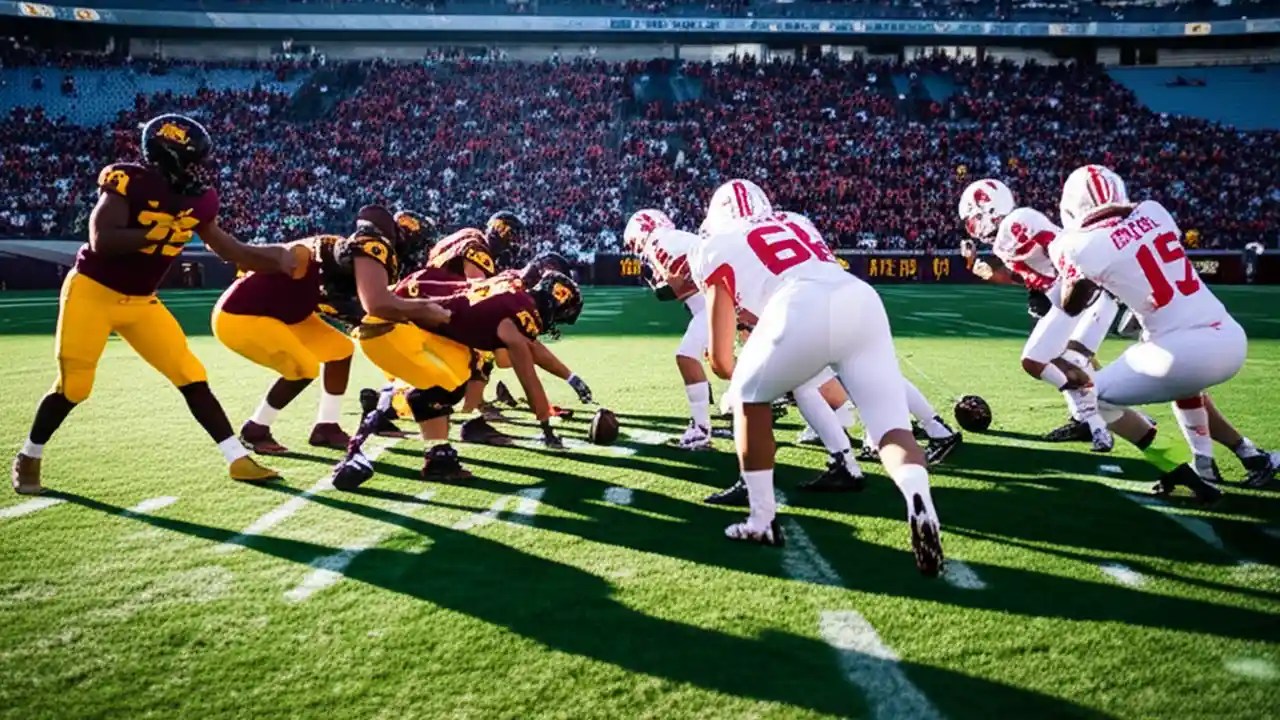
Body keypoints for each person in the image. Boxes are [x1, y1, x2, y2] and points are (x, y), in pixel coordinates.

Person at [11, 113, 295, 495]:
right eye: (194, 161)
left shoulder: (200, 200)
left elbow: (229, 249)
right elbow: (101, 239)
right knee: (75, 386)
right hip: (93, 291)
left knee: (190, 374)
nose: (201, 171)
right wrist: (155, 232)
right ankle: (29, 456)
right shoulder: (127, 180)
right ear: (170, 158)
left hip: (141, 302)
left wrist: (278, 259)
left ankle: (236, 460)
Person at [690, 179, 944, 577]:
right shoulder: (796, 221)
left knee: (747, 399)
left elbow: (722, 361)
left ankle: (761, 520)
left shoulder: (714, 244)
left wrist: (743, 370)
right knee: (890, 427)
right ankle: (916, 494)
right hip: (859, 298)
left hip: (798, 305)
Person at [1052, 164, 1275, 497]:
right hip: (1228, 336)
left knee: (1092, 400)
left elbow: (1072, 305)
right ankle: (1228, 459)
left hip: (1180, 352)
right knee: (1186, 388)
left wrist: (1072, 267)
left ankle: (1175, 465)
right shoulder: (1155, 210)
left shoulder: (1080, 245)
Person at [333, 269, 585, 488]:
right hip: (394, 328)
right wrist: (546, 427)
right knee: (449, 384)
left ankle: (429, 444)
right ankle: (387, 418)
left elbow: (523, 350)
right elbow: (526, 374)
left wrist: (571, 378)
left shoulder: (512, 286)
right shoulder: (521, 317)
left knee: (463, 369)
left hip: (407, 321)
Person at [958, 178, 1117, 451]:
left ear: (988, 211)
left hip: (1080, 294)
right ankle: (1097, 419)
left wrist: (1065, 283)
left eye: (974, 219)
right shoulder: (1008, 236)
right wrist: (985, 271)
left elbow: (1057, 250)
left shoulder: (1019, 221)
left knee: (1046, 360)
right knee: (1065, 359)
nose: (972, 227)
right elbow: (1027, 275)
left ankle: (1098, 417)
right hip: (1073, 296)